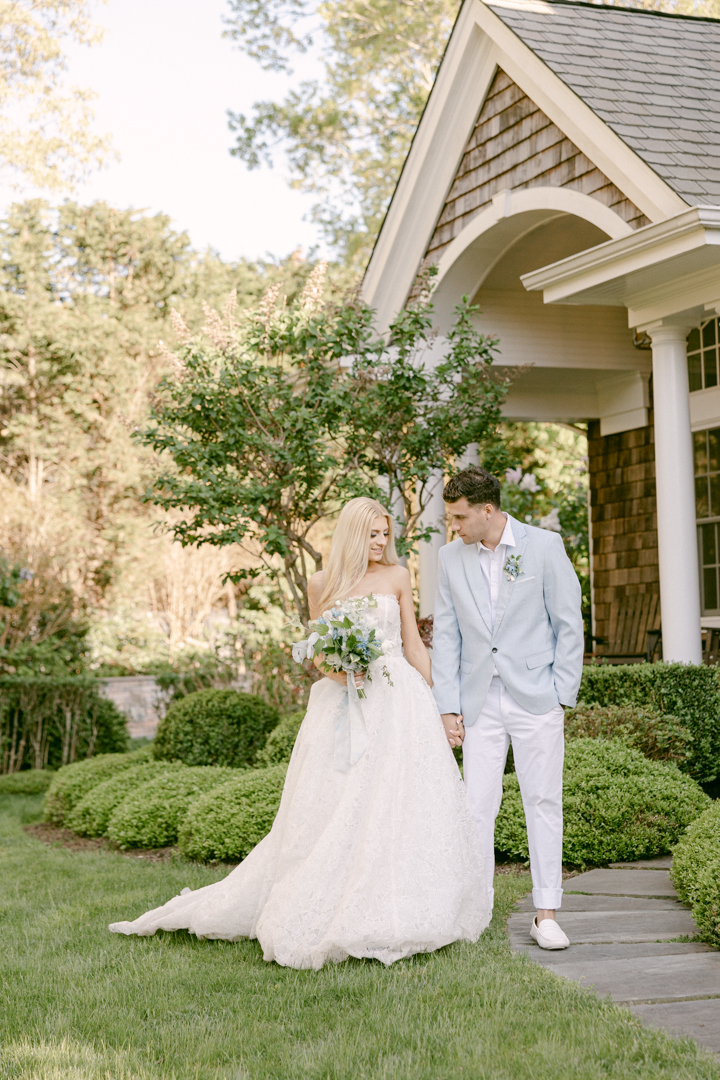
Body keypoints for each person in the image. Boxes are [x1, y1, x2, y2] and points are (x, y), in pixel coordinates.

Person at [110, 496, 490, 968]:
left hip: (399, 702)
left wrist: (443, 705)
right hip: (344, 702)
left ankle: (405, 902)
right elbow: (319, 653)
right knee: (338, 803)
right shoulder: (321, 584)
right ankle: (329, 896)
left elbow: (412, 643)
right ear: (352, 534)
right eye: (372, 534)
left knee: (401, 800)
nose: (380, 542)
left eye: (385, 534)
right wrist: (343, 673)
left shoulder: (396, 576)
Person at [431, 467, 584, 951]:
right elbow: (447, 634)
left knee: (543, 801)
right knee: (477, 806)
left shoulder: (545, 547)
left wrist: (561, 693)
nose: (454, 526)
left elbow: (568, 622)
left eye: (460, 517)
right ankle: (477, 911)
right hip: (479, 700)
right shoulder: (450, 557)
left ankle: (546, 914)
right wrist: (447, 705)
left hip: (536, 697)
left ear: (487, 510)